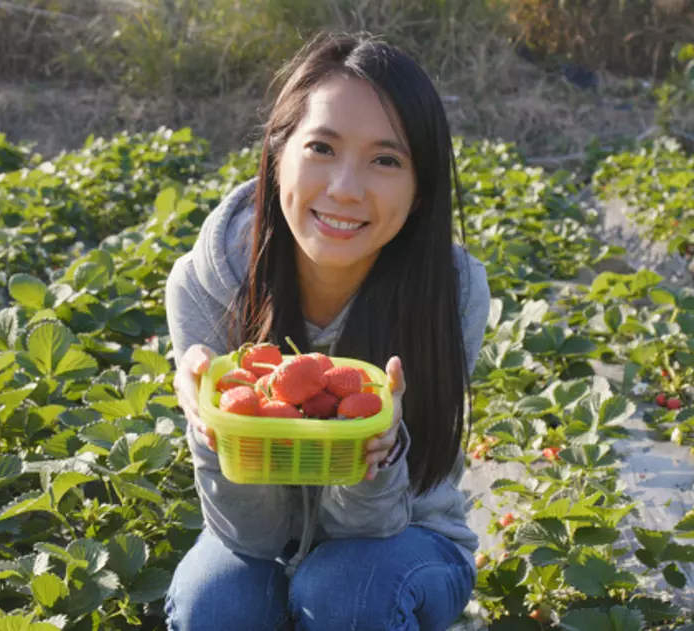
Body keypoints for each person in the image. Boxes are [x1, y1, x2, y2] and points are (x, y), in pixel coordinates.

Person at [163, 31, 492, 631]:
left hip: (407, 539)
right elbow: (250, 536)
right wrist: (216, 439)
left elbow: (371, 529)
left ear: (419, 192)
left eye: (385, 160)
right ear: (277, 153)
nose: (344, 188)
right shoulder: (206, 285)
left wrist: (375, 453)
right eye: (321, 147)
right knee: (214, 603)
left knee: (343, 591)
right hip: (265, 543)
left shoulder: (452, 292)